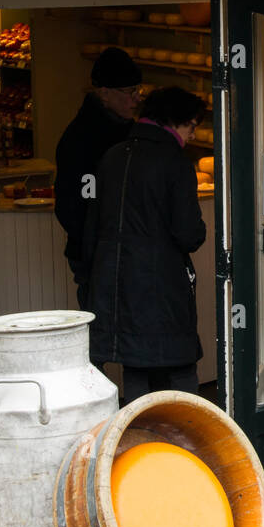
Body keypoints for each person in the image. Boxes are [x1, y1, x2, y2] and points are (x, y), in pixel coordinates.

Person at [82, 86, 208, 404]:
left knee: (135, 369)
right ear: (174, 121)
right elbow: (189, 234)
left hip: (115, 286)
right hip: (162, 287)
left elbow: (92, 226)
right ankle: (184, 443)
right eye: (191, 126)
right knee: (180, 373)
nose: (192, 135)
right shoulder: (175, 162)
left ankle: (141, 443)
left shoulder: (112, 156)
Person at [54, 47, 142, 305]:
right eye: (130, 92)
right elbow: (73, 206)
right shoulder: (81, 140)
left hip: (127, 250)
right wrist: (98, 244)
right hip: (96, 254)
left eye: (139, 90)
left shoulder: (130, 132)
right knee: (102, 323)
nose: (137, 99)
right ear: (104, 93)